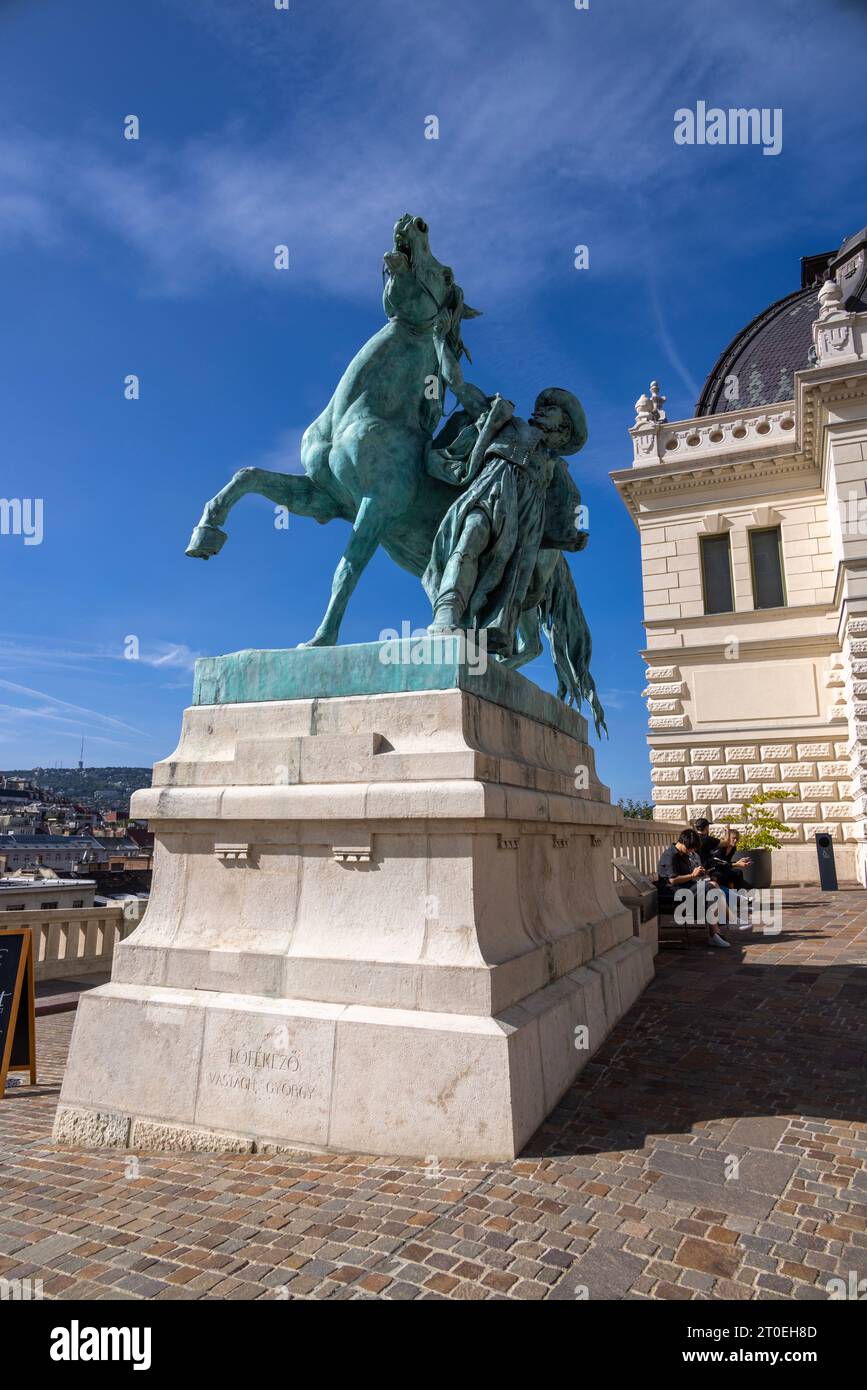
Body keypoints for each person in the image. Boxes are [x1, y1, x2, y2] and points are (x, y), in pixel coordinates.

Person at [423, 388, 588, 656]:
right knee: (471, 534)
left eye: (551, 408)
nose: (541, 409)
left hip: (524, 519)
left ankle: (478, 631)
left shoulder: (555, 467)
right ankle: (446, 614)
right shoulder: (508, 422)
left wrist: (571, 536)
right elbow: (467, 395)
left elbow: (566, 506)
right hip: (492, 489)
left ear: (564, 426)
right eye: (542, 406)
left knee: (503, 572)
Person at [656, 828, 730, 947]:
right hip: (673, 893)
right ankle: (721, 927)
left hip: (685, 888)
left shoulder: (683, 854)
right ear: (684, 843)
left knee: (712, 887)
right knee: (712, 887)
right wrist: (692, 875)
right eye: (691, 848)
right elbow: (673, 880)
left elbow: (687, 877)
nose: (692, 851)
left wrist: (699, 874)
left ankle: (716, 933)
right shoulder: (670, 855)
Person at [712, 827, 754, 928]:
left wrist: (738, 862)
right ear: (727, 838)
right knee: (724, 876)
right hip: (716, 870)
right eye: (733, 838)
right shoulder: (720, 848)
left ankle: (740, 901)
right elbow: (718, 863)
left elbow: (727, 863)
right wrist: (737, 864)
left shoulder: (733, 848)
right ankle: (736, 902)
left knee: (738, 873)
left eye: (737, 839)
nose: (735, 841)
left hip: (724, 868)